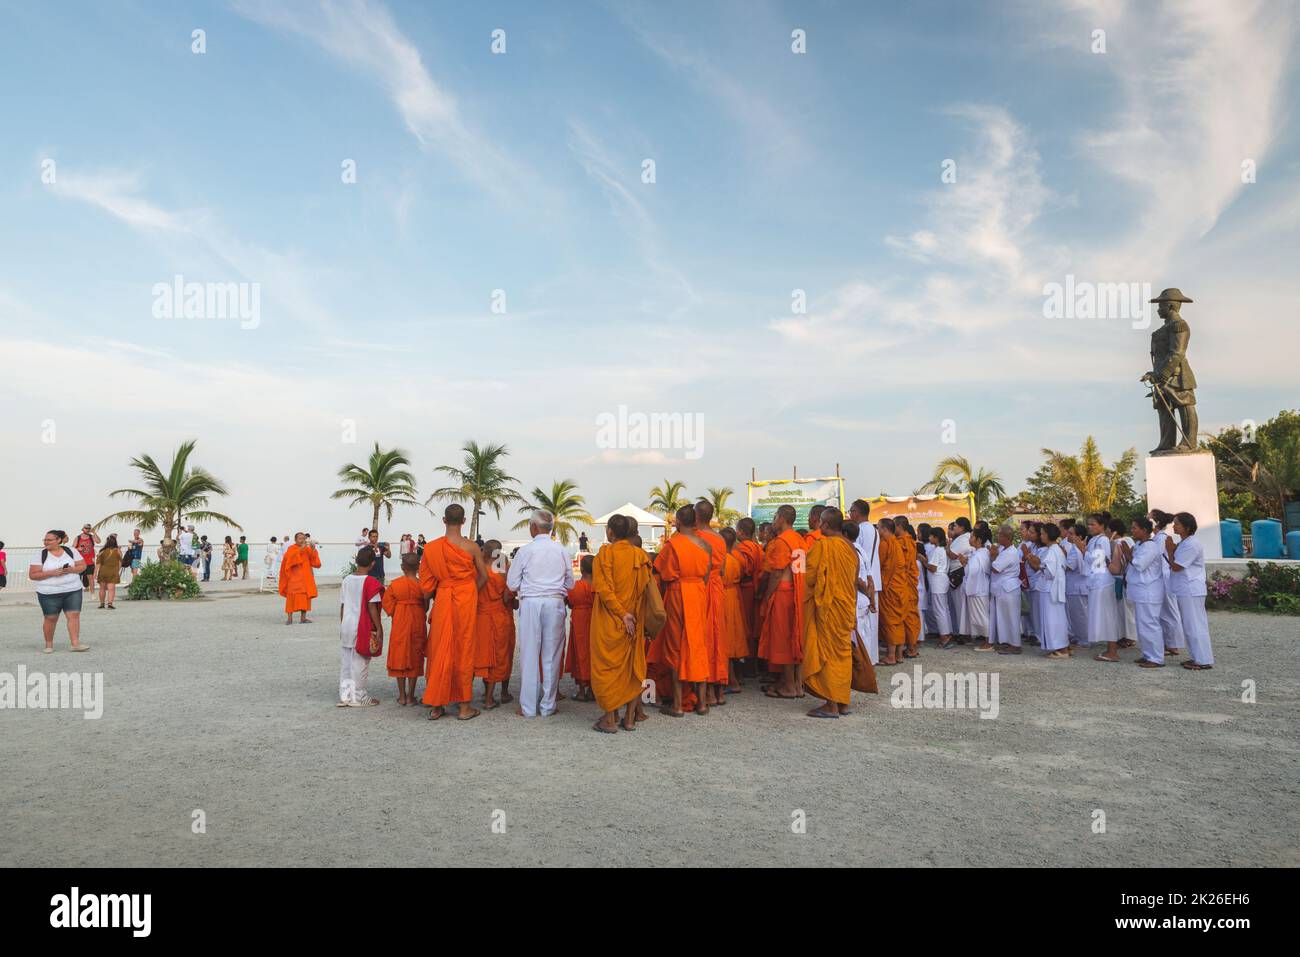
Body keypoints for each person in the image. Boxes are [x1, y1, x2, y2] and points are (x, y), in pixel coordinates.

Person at [421, 504, 488, 721]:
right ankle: (464, 707)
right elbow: (484, 577)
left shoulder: (431, 548)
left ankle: (437, 705)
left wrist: (433, 600)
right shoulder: (471, 547)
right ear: (464, 520)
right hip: (466, 599)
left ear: (443, 520)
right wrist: (470, 592)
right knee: (464, 647)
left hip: (443, 598)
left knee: (440, 647)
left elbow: (427, 586)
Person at [506, 509, 573, 719]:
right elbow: (570, 582)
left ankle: (527, 707)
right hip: (554, 602)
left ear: (533, 527)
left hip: (531, 603)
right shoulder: (561, 550)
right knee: (551, 654)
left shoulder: (526, 551)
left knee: (529, 653)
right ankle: (547, 705)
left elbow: (512, 583)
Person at [590, 514, 652, 733]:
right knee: (632, 668)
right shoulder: (640, 556)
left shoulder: (604, 555)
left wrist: (621, 613)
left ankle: (609, 719)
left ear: (610, 532)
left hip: (611, 619)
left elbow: (604, 590)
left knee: (607, 668)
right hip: (634, 619)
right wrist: (631, 614)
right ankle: (629, 719)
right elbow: (646, 588)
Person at [651, 505, 713, 715]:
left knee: (675, 647)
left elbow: (663, 576)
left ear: (678, 521)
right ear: (695, 522)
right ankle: (702, 703)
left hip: (678, 594)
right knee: (698, 644)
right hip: (698, 593)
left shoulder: (672, 545)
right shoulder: (706, 546)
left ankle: (677, 705)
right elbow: (706, 576)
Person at [801, 508, 859, 719]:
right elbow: (855, 576)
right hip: (845, 606)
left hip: (828, 607)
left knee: (827, 654)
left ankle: (831, 704)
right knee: (842, 652)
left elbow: (809, 577)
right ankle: (843, 702)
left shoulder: (823, 546)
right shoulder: (849, 547)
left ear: (824, 525)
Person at [757, 504, 805, 699]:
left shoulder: (780, 542)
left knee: (784, 639)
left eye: (775, 516)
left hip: (783, 593)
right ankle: (797, 684)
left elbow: (775, 574)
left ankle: (789, 687)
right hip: (798, 593)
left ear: (782, 518)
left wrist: (767, 596)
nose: (774, 520)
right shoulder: (800, 540)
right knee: (796, 638)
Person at [694, 500, 730, 708]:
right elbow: (722, 569)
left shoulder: (697, 537)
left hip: (703, 587)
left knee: (705, 637)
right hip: (718, 588)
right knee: (718, 636)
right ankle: (719, 690)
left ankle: (706, 689)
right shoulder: (719, 538)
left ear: (697, 516)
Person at [474, 539, 517, 710]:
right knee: (500, 655)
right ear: (498, 554)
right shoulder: (500, 572)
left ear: (484, 551)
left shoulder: (478, 570)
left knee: (484, 654)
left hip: (480, 617)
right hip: (499, 616)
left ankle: (486, 694)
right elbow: (508, 596)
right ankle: (493, 697)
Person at [31, 530, 89, 653]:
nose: (46, 542)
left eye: (49, 540)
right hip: (48, 593)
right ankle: (49, 645)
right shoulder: (40, 554)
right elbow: (33, 575)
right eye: (45, 540)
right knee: (50, 618)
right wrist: (52, 573)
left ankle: (75, 644)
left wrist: (71, 569)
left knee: (74, 616)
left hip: (73, 590)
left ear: (58, 540)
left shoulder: (71, 551)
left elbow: (83, 566)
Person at [1167, 512, 1212, 670]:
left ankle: (1202, 660)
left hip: (1191, 589)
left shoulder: (1192, 544)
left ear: (1187, 527)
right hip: (1186, 589)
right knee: (1190, 625)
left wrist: (1170, 551)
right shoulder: (1184, 542)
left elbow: (1177, 566)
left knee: (1194, 625)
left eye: (1177, 524)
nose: (1174, 526)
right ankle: (1197, 658)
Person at [338, 548, 383, 707]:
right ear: (372, 564)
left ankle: (345, 696)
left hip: (347, 624)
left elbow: (343, 606)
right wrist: (378, 628)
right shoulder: (371, 582)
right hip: (362, 625)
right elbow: (372, 607)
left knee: (346, 662)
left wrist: (342, 625)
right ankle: (359, 697)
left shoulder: (347, 580)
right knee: (360, 662)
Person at [383, 552, 429, 705]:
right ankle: (411, 696)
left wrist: (398, 611)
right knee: (415, 654)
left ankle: (402, 696)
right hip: (416, 621)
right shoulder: (422, 585)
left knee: (400, 655)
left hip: (400, 623)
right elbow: (426, 606)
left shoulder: (395, 584)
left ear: (402, 567)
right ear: (418, 567)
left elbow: (387, 604)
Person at [1121, 517, 1166, 668]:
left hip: (1149, 591)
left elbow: (1139, 564)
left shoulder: (1151, 547)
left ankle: (1156, 658)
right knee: (1142, 624)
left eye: (1135, 528)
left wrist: (1128, 554)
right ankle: (1147, 654)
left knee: (1150, 624)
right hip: (1140, 591)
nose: (1132, 530)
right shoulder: (1140, 544)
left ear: (1145, 530)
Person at [1026, 522, 1069, 658]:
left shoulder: (1052, 551)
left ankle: (1061, 649)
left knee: (1053, 620)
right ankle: (1061, 647)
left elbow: (1049, 572)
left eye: (1043, 533)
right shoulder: (1056, 549)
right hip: (1052, 589)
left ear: (1049, 535)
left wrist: (1038, 565)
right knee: (1056, 619)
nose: (1041, 536)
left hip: (1050, 589)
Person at [1085, 514, 1123, 662]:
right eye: (1088, 524)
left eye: (1093, 524)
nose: (1089, 527)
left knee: (1108, 616)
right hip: (1096, 581)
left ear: (1102, 526)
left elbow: (1099, 561)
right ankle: (1109, 649)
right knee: (1102, 616)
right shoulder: (1094, 539)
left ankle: (1113, 651)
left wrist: (1083, 551)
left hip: (1102, 582)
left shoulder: (1103, 540)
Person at [1150, 509, 1186, 656]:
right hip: (1160, 578)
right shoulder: (1157, 538)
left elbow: (1155, 557)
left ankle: (1174, 644)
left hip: (1165, 578)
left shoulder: (1161, 538)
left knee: (1170, 611)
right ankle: (1168, 642)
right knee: (1163, 612)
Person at [848, 500, 880, 662]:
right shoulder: (874, 529)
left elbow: (856, 556)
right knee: (870, 625)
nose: (850, 514)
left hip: (862, 582)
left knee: (862, 627)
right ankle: (871, 658)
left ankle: (865, 661)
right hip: (871, 580)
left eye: (851, 510)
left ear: (857, 512)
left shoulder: (860, 529)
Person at [719, 529, 750, 693]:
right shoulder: (736, 559)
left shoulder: (723, 560)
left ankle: (731, 681)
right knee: (733, 638)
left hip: (724, 598)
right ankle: (736, 678)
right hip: (734, 598)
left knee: (726, 640)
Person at [876, 518, 908, 666]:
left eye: (878, 528)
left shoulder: (884, 544)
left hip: (889, 587)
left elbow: (880, 565)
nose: (877, 531)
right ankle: (899, 654)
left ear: (884, 529)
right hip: (900, 587)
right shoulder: (897, 543)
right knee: (899, 620)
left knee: (890, 622)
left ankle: (890, 656)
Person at [564, 555, 596, 702]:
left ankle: (582, 690)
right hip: (595, 618)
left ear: (581, 569)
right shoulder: (597, 585)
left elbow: (570, 603)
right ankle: (592, 689)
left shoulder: (575, 586)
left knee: (579, 652)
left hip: (579, 619)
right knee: (593, 652)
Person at [734, 517, 764, 667]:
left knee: (745, 624)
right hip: (756, 587)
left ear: (740, 532)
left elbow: (742, 569)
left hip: (745, 588)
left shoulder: (743, 548)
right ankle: (755, 661)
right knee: (754, 624)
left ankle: (748, 660)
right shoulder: (757, 547)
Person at [989, 526, 1022, 653]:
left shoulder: (1010, 552)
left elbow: (995, 568)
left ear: (1006, 537)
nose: (997, 537)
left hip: (1009, 589)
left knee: (1011, 618)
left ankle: (1015, 645)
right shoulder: (1004, 549)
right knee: (1004, 618)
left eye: (999, 535)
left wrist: (992, 556)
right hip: (1004, 589)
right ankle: (1008, 642)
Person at [278, 533, 321, 624]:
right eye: (300, 539)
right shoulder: (291, 548)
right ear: (295, 540)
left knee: (305, 597)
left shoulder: (307, 549)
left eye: (303, 538)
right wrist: (301, 548)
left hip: (305, 577)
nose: (302, 540)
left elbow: (314, 562)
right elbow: (290, 560)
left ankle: (303, 618)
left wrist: (313, 549)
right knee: (291, 596)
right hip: (294, 577)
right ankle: (289, 619)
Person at [963, 527, 993, 650]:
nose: (969, 539)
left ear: (978, 540)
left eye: (971, 537)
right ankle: (987, 640)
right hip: (978, 588)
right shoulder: (980, 553)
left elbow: (973, 572)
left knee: (982, 617)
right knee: (980, 617)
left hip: (978, 589)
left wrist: (965, 565)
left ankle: (989, 642)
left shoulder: (980, 554)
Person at [925, 527, 953, 648]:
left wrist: (922, 561)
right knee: (944, 609)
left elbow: (933, 568)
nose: (929, 538)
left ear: (936, 538)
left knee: (939, 610)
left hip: (938, 581)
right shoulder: (942, 550)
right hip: (941, 581)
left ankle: (944, 636)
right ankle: (947, 634)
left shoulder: (938, 550)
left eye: (931, 536)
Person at [95, 534, 123, 609]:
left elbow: (98, 563)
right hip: (113, 571)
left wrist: (95, 573)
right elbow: (120, 562)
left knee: (102, 588)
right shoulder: (118, 550)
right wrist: (117, 570)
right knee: (111, 589)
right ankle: (110, 603)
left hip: (103, 571)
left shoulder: (102, 551)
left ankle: (102, 604)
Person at [73, 524, 100, 591]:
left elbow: (98, 541)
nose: (87, 529)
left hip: (90, 560)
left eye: (89, 528)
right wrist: (78, 549)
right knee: (78, 577)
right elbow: (73, 548)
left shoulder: (91, 537)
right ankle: (78, 590)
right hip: (80, 561)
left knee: (90, 577)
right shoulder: (78, 538)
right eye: (86, 528)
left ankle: (91, 591)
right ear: (82, 529)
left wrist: (94, 533)